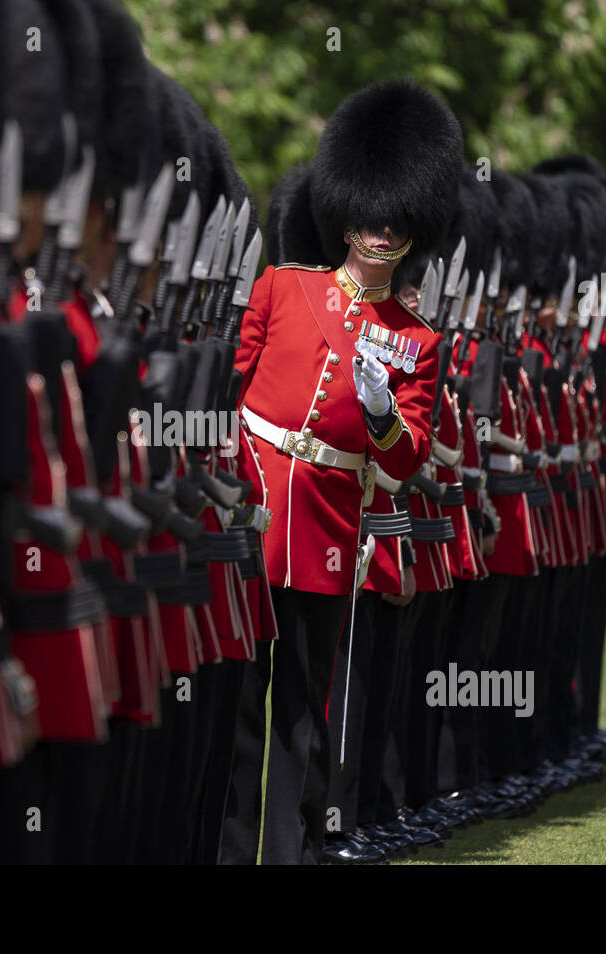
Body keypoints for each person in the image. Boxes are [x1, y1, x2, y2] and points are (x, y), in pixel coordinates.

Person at [227, 79, 462, 864]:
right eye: (368, 217)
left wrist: (380, 413)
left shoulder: (418, 342)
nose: (377, 232)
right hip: (257, 507)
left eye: (393, 222)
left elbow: (405, 459)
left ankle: (290, 855)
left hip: (328, 527)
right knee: (238, 705)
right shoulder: (283, 288)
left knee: (302, 710)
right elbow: (230, 388)